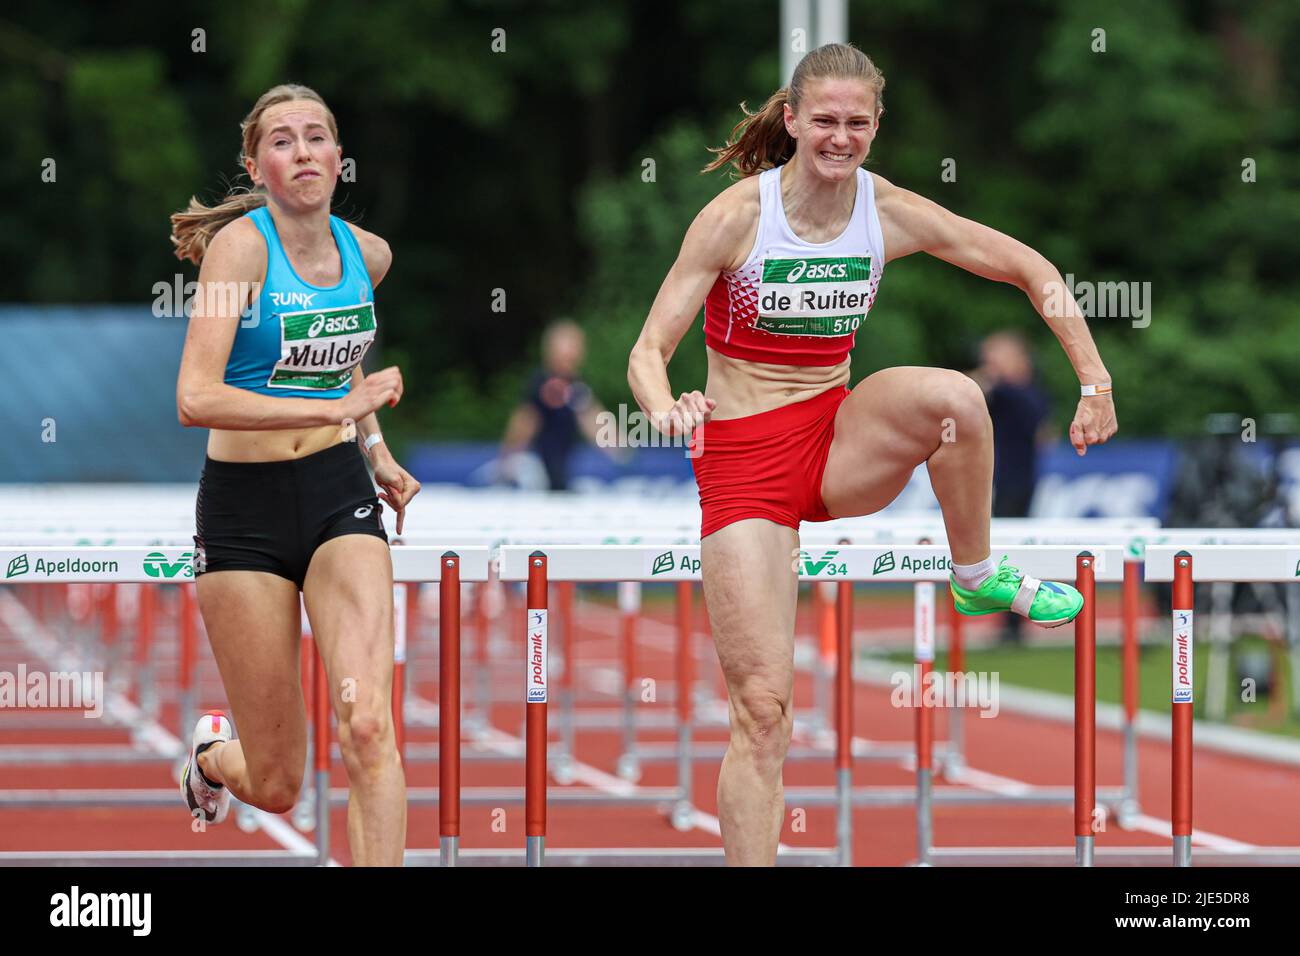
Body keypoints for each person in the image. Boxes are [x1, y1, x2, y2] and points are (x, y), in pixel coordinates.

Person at [627, 43, 1117, 865]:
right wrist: (662, 405)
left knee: (959, 399)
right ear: (791, 120)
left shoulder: (885, 212)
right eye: (824, 120)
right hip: (744, 460)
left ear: (877, 126)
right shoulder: (737, 218)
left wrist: (1093, 378)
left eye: (858, 122)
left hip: (834, 435)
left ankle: (973, 576)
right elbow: (647, 349)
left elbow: (1031, 270)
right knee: (762, 709)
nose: (840, 137)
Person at [170, 83, 420, 866]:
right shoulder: (241, 250)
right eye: (283, 140)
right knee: (278, 780)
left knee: (369, 724)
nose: (303, 151)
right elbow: (195, 397)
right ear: (257, 164)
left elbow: (342, 364)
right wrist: (338, 408)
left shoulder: (368, 255)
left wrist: (373, 448)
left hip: (337, 496)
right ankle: (213, 756)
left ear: (341, 158)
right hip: (243, 511)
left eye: (318, 137)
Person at [971, 331, 1053, 643]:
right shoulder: (1007, 394)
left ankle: (1014, 622)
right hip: (1004, 480)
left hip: (1015, 481)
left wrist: (993, 375)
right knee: (1005, 550)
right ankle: (1011, 621)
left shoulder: (1021, 394)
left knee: (1010, 551)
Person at [498, 320, 615, 490]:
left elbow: (593, 420)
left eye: (577, 347)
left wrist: (622, 454)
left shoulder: (576, 385)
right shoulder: (541, 384)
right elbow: (524, 423)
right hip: (538, 473)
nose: (575, 353)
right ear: (551, 350)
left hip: (560, 471)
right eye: (570, 347)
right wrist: (507, 460)